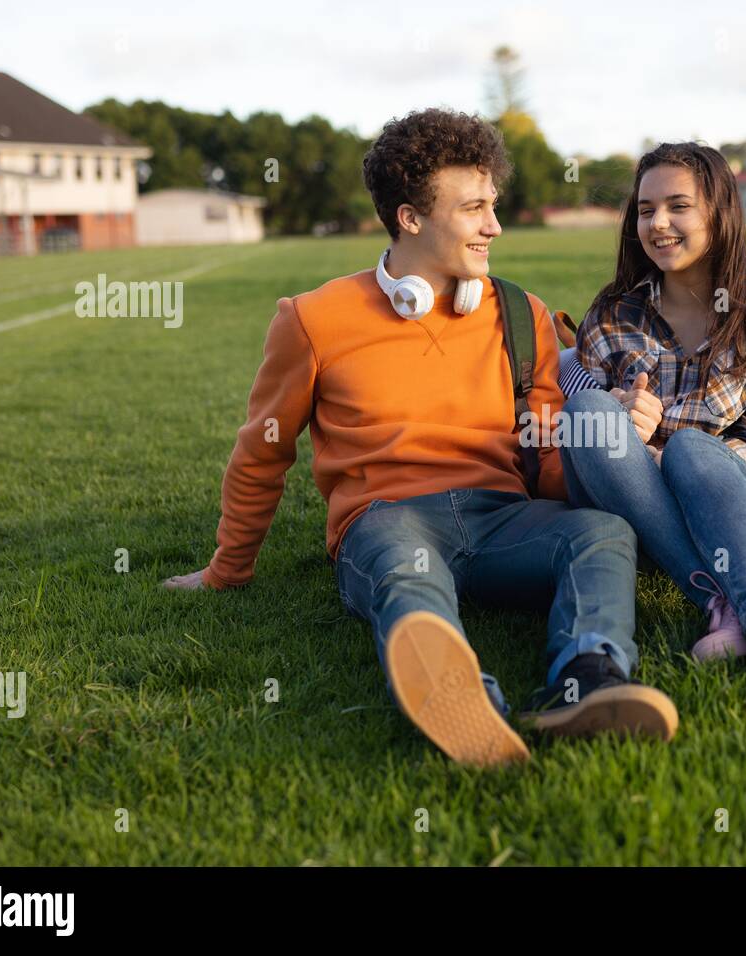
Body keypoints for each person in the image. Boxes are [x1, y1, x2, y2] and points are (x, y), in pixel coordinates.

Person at [162, 109, 677, 766]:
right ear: (410, 218)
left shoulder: (524, 315)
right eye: (472, 209)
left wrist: (619, 452)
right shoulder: (312, 319)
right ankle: (460, 699)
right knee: (408, 569)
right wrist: (227, 570)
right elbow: (263, 453)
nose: (494, 225)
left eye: (493, 205)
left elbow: (545, 454)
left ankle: (588, 679)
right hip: (384, 521)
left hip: (502, 519)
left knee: (601, 535)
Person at [559, 142, 746, 707]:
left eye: (678, 206)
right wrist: (616, 413)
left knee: (690, 448)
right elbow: (588, 447)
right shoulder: (613, 314)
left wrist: (668, 458)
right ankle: (726, 603)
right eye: (645, 210)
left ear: (720, 211)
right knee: (586, 416)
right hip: (641, 512)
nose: (657, 224)